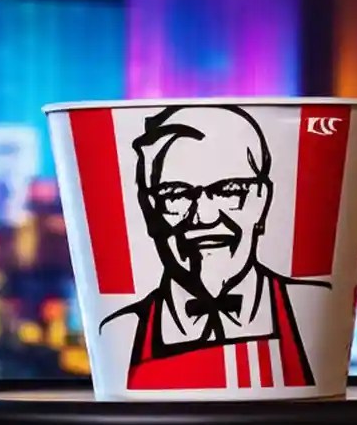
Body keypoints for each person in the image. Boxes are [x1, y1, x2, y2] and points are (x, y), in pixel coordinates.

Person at [101, 105, 328, 390]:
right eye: (176, 195)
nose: (205, 217)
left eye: (230, 190)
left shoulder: (311, 310)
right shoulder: (119, 331)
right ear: (149, 211)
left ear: (261, 201)